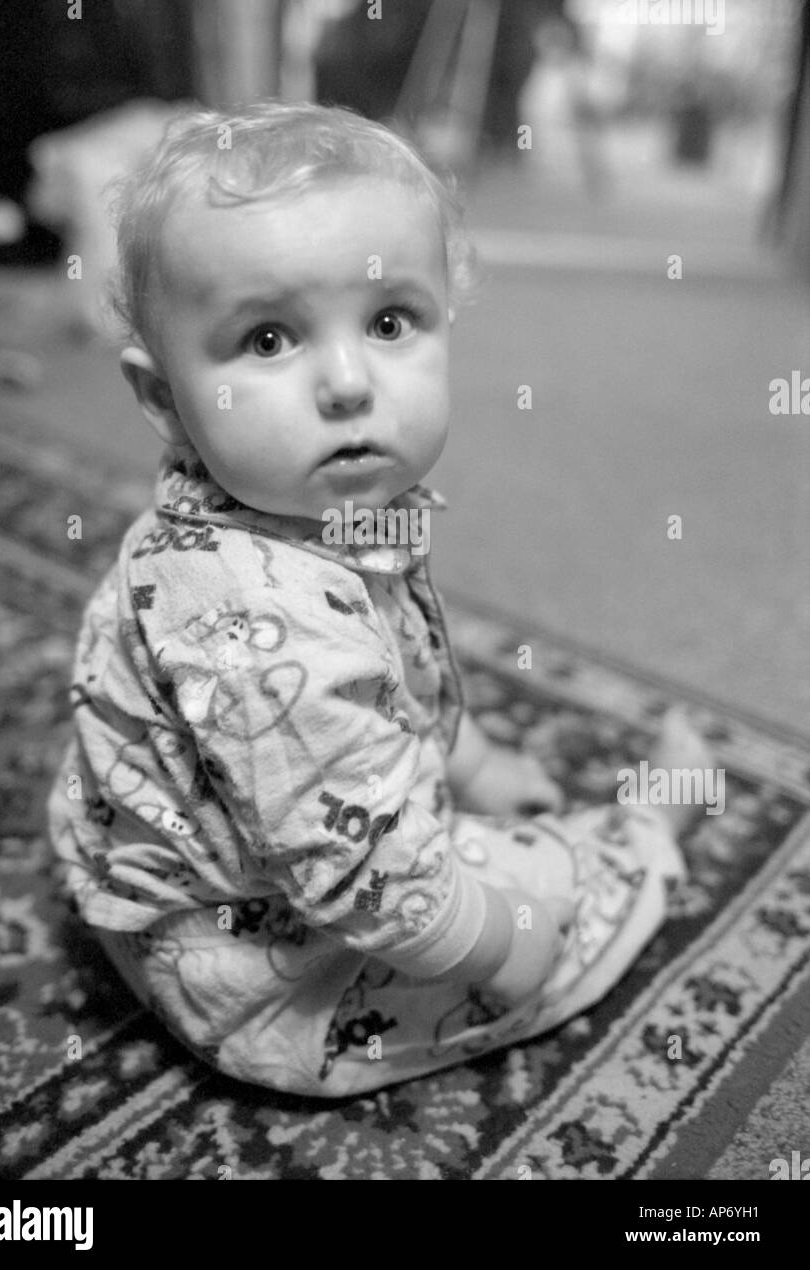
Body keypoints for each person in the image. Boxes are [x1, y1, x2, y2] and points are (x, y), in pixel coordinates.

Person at [46, 101, 707, 1096]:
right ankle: (650, 837)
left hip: (250, 867)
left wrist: (468, 757)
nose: (349, 382)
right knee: (551, 899)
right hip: (264, 978)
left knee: (458, 842)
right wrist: (502, 941)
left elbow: (396, 654)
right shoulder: (252, 627)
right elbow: (369, 885)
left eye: (390, 321)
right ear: (162, 398)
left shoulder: (309, 507)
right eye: (268, 339)